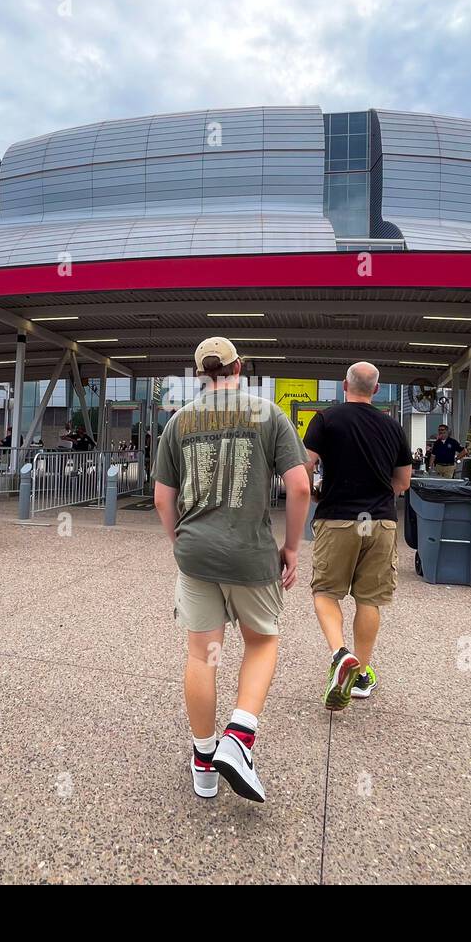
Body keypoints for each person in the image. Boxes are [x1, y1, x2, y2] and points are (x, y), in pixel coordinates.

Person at [154, 337, 310, 804]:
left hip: (197, 555)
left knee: (202, 654)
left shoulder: (179, 421)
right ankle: (239, 739)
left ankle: (203, 764)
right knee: (261, 642)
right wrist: (293, 548)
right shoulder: (268, 415)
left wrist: (177, 537)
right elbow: (300, 487)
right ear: (240, 366)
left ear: (199, 372)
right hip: (251, 555)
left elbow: (164, 497)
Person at [303, 363, 412, 710]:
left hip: (337, 519)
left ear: (344, 385)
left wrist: (313, 491)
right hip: (378, 522)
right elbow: (403, 482)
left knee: (324, 592)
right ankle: (361, 674)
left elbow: (303, 465)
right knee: (369, 600)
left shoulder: (326, 419)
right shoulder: (394, 426)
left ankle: (340, 654)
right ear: (376, 390)